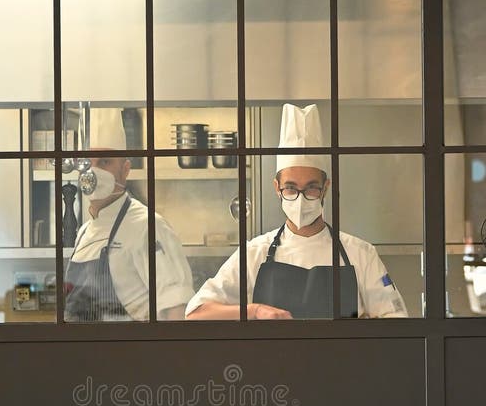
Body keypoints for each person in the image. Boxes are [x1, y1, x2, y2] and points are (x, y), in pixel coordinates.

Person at [185, 103, 408, 320]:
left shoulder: (360, 254)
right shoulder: (254, 253)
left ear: (325, 188)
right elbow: (197, 312)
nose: (301, 199)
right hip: (272, 359)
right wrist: (255, 310)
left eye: (311, 188)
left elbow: (396, 320)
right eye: (291, 188)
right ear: (277, 188)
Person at [64, 109, 193, 321]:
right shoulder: (85, 231)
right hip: (82, 353)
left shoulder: (148, 227)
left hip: (129, 352)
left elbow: (176, 311)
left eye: (105, 162)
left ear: (125, 170)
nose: (93, 172)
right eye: (87, 163)